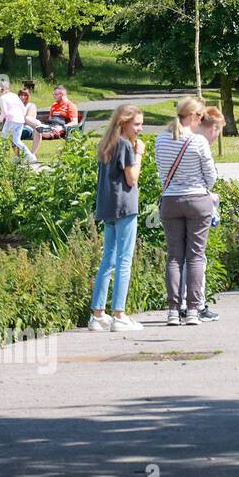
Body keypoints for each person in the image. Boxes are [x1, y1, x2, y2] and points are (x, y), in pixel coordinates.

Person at [155, 95, 218, 326]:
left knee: (174, 257)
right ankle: (192, 310)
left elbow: (162, 173)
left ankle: (173, 310)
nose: (201, 121)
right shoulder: (198, 142)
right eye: (200, 116)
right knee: (195, 257)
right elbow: (210, 178)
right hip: (197, 201)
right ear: (192, 116)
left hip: (170, 201)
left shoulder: (160, 140)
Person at [88, 104, 146, 333]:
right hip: (125, 206)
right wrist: (139, 152)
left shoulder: (106, 144)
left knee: (107, 260)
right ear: (124, 123)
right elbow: (132, 179)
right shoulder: (124, 145)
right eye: (137, 124)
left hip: (107, 207)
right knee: (124, 260)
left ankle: (98, 314)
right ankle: (119, 314)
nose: (140, 129)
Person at [0, 75, 36, 164]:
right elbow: (23, 109)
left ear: (1, 89)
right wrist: (20, 116)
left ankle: (0, 157)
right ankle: (30, 155)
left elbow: (5, 112)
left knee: (3, 138)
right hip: (20, 120)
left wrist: (0, 120)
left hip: (11, 120)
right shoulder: (14, 95)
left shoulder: (2, 98)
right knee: (16, 140)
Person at [32, 84, 81, 153]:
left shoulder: (70, 105)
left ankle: (31, 155)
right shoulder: (54, 105)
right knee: (36, 128)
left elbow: (74, 122)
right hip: (51, 127)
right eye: (53, 94)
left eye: (55, 94)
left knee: (37, 130)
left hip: (60, 130)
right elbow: (50, 119)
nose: (54, 96)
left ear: (62, 94)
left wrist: (63, 127)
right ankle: (32, 155)